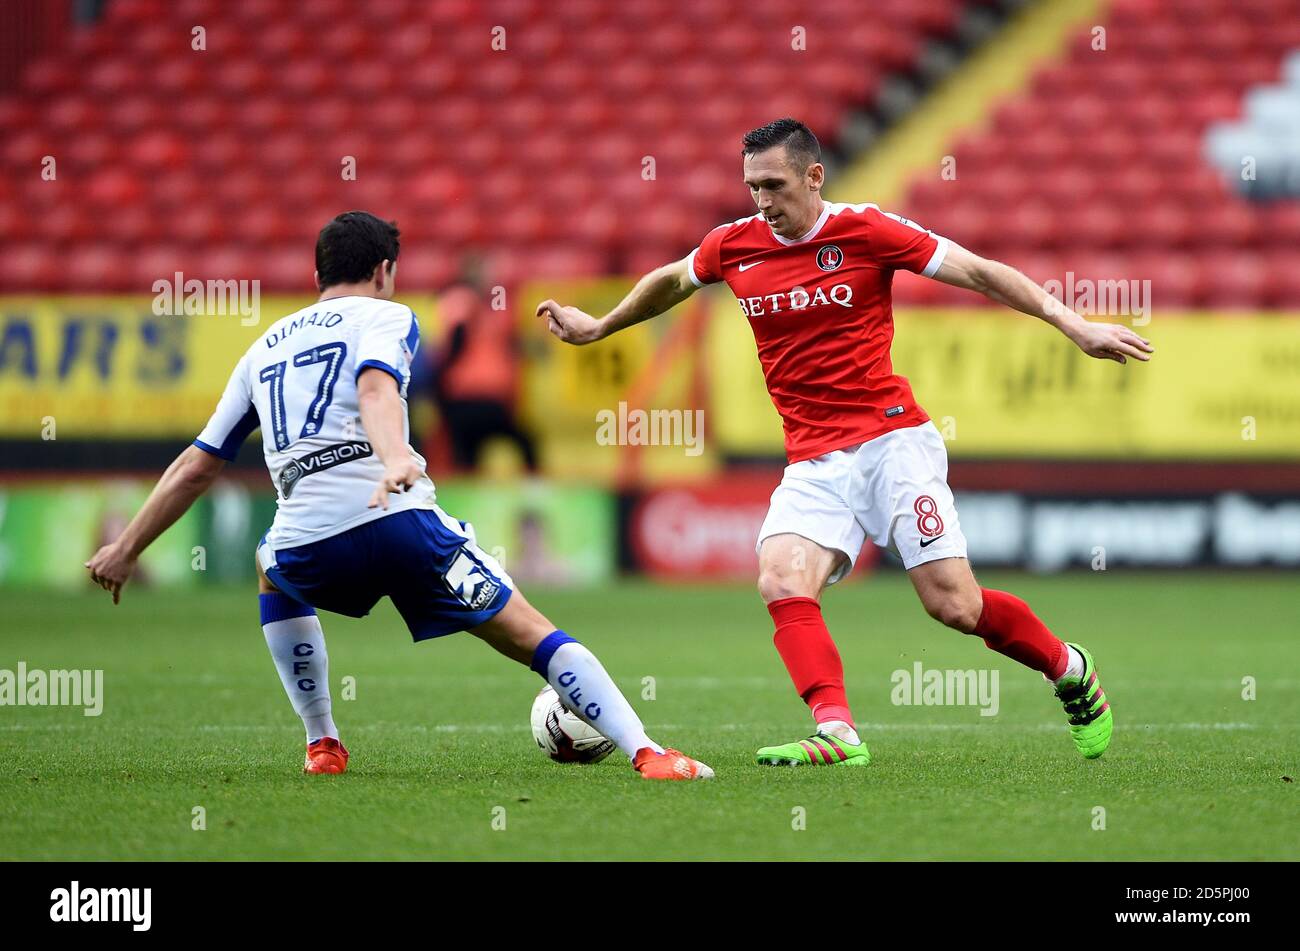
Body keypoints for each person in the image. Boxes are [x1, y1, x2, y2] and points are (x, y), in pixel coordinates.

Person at [536, 119, 1153, 765]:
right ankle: (837, 731)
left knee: (954, 605)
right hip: (813, 458)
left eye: (773, 184)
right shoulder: (734, 245)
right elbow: (672, 279)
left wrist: (1071, 322)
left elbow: (978, 271)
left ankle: (1068, 667)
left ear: (813, 175)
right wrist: (601, 326)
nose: (762, 201)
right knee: (780, 578)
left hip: (892, 441)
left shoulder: (865, 230)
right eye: (751, 187)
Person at [85, 210, 713, 781]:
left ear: (316, 272)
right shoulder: (389, 316)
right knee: (531, 632)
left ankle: (322, 743)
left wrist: (127, 546)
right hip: (399, 518)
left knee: (268, 566)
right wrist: (393, 460)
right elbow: (377, 390)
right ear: (385, 270)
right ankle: (648, 754)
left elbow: (198, 464)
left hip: (308, 539)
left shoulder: (262, 349)